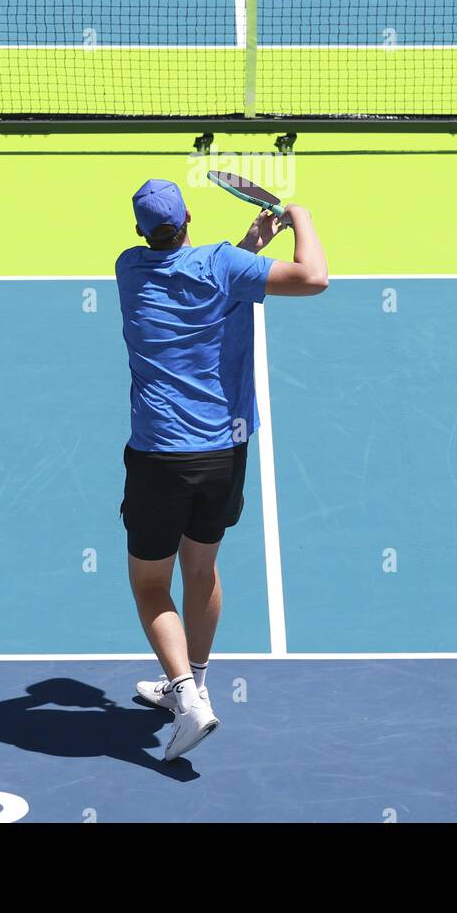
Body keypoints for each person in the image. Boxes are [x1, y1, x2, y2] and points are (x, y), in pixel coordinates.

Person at [115, 179, 327, 760]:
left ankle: (186, 698)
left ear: (141, 231)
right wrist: (299, 217)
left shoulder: (130, 269)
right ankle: (195, 684)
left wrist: (245, 247)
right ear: (189, 216)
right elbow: (314, 277)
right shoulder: (224, 265)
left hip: (160, 456)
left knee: (150, 584)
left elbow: (195, 279)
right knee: (201, 569)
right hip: (222, 454)